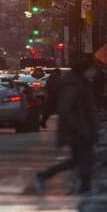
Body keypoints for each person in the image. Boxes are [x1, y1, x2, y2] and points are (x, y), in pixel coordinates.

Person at [33, 60, 99, 195]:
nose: (94, 73)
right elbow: (66, 108)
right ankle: (85, 188)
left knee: (79, 159)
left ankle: (45, 176)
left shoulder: (79, 83)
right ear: (84, 70)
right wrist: (80, 128)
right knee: (85, 158)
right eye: (92, 70)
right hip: (78, 130)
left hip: (81, 128)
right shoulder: (73, 86)